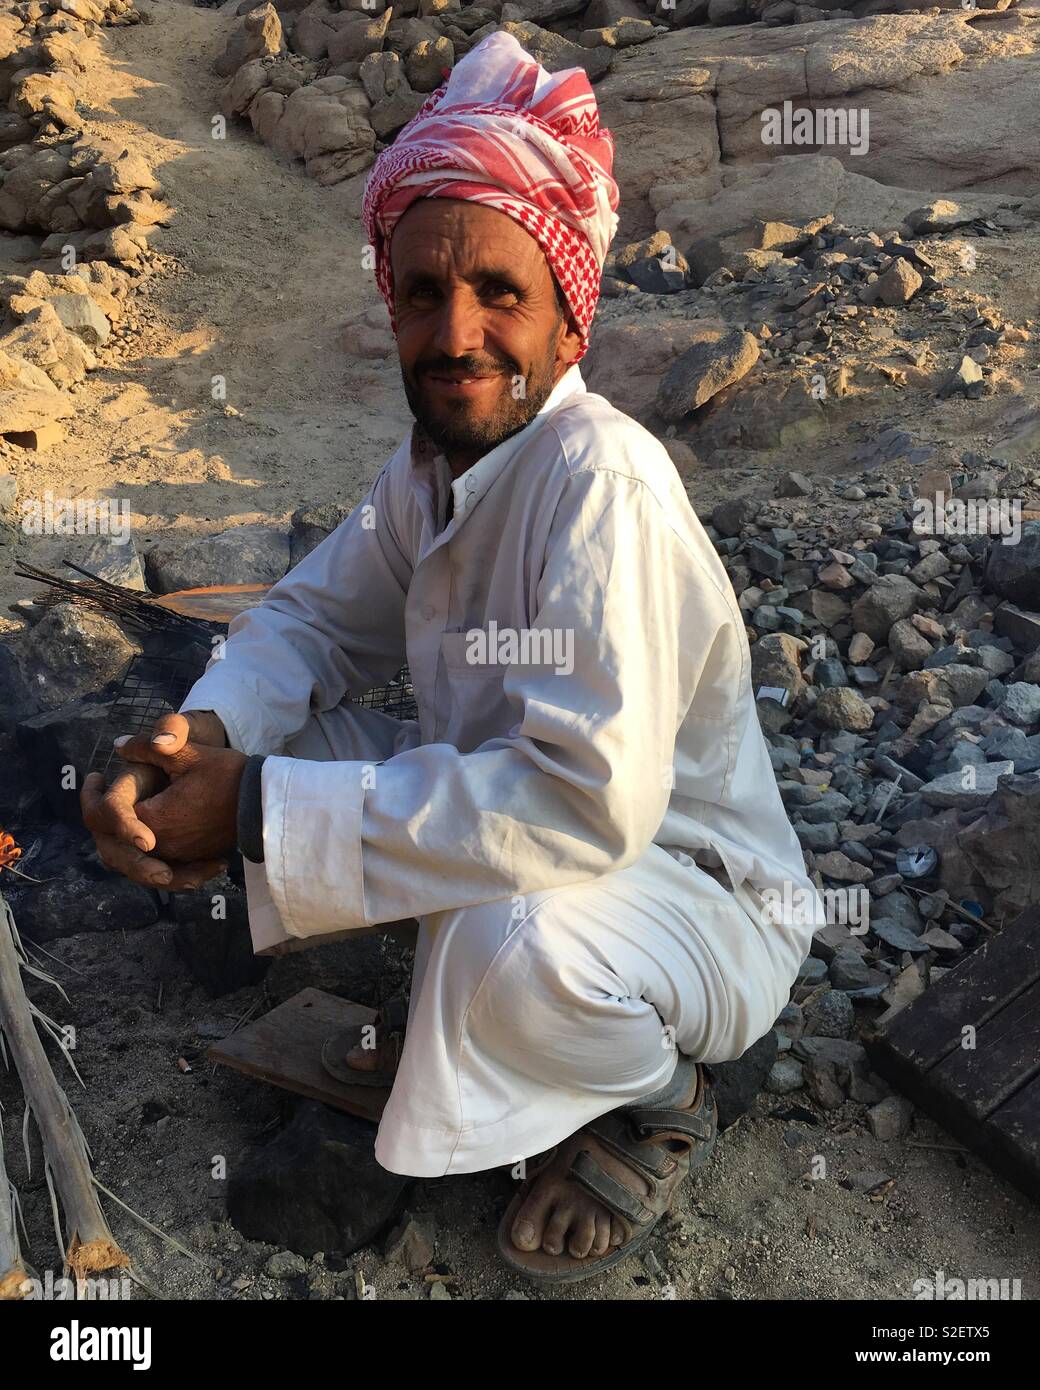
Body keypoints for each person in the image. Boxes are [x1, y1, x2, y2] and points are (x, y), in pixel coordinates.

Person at [82, 31, 818, 1284]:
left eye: (497, 291)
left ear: (564, 311)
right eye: (422, 293)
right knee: (283, 743)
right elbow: (311, 624)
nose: (456, 332)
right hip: (533, 827)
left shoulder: (601, 483)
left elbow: (582, 799)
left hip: (689, 888)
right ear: (390, 303)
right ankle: (459, 1023)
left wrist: (258, 811)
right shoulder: (431, 471)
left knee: (507, 946)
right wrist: (199, 748)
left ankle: (656, 1089)